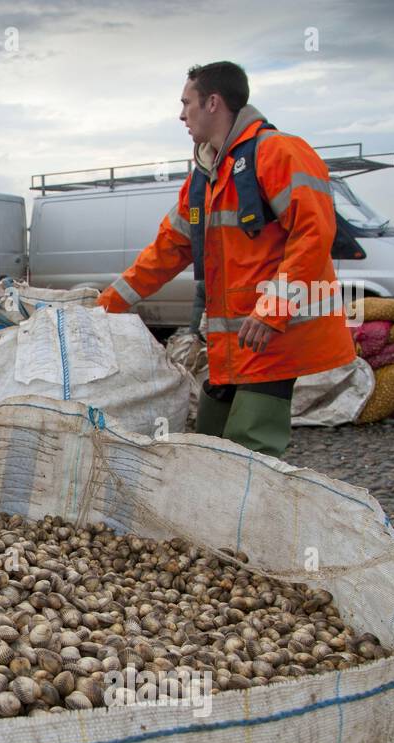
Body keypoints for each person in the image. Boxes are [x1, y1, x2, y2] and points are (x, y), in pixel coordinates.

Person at [95, 61, 355, 458]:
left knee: (250, 450)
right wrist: (107, 305)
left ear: (213, 102)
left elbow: (314, 233)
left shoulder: (279, 153)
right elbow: (168, 250)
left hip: (274, 339)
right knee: (210, 442)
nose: (181, 114)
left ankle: (253, 518)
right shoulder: (204, 176)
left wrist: (273, 310)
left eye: (187, 103)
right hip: (229, 347)